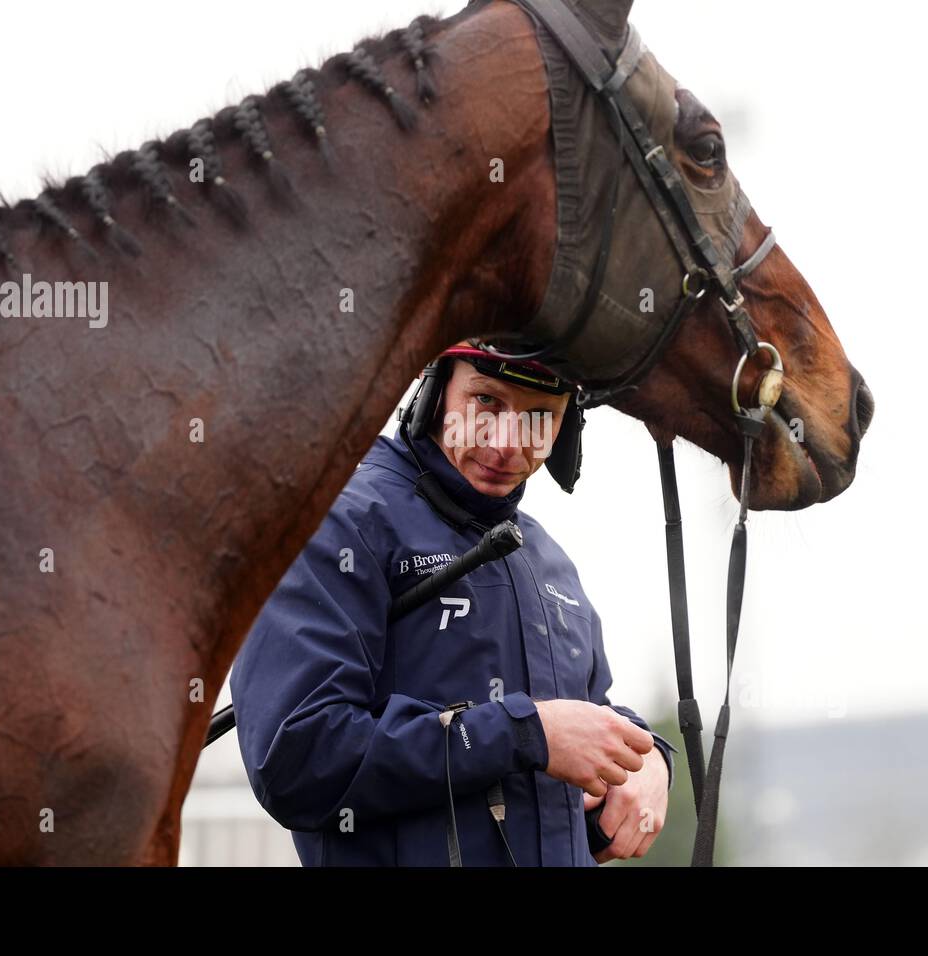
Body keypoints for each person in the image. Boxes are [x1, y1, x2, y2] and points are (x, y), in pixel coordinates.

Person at [230, 342, 676, 866]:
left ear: (566, 427)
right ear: (434, 387)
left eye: (539, 416)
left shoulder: (549, 563)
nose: (507, 443)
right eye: (486, 401)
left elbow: (568, 767)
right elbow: (296, 760)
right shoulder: (336, 524)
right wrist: (523, 733)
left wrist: (645, 764)